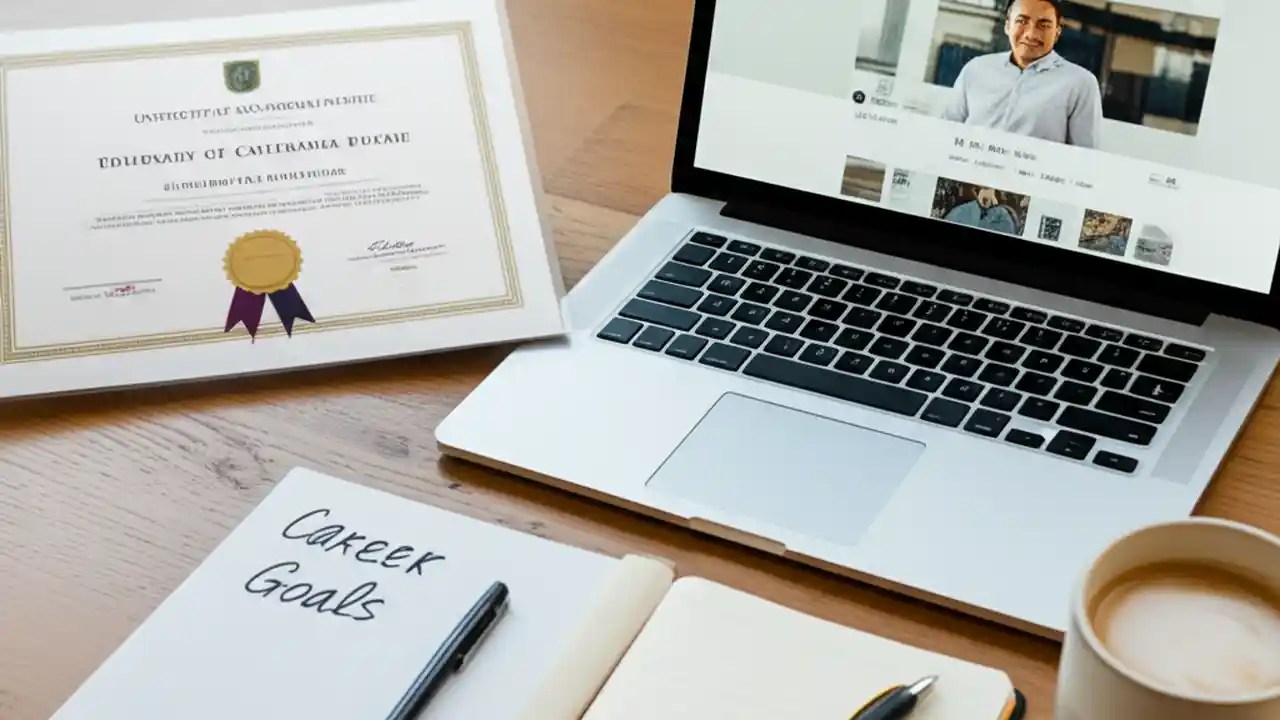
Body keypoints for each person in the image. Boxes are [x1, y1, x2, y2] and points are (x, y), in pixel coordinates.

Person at [942, 0, 1104, 148]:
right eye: (1022, 21)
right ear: (1007, 25)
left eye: (1044, 25)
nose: (1031, 34)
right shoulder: (976, 69)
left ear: (1057, 32)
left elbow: (1085, 157)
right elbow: (946, 130)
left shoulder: (1080, 84)